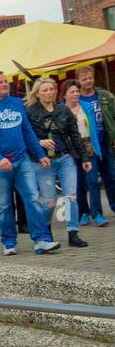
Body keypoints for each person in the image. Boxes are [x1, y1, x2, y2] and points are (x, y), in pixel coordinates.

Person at [0, 71, 57, 256]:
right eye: (0, 82)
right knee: (4, 204)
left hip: (22, 160)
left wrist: (40, 154)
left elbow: (27, 131)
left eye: (5, 81)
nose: (5, 84)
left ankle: (41, 239)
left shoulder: (17, 103)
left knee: (33, 198)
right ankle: (9, 241)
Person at [26, 77, 90, 248]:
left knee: (70, 196)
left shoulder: (63, 110)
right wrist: (40, 142)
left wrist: (84, 157)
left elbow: (75, 135)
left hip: (65, 157)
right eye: (45, 90)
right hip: (43, 160)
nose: (49, 93)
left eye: (51, 89)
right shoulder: (30, 112)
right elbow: (27, 136)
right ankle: (45, 231)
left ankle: (73, 232)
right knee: (49, 200)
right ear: (37, 93)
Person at [64, 80, 108, 226]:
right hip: (71, 150)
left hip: (89, 147)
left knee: (93, 182)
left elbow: (94, 129)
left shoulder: (87, 107)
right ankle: (84, 212)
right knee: (78, 184)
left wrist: (98, 148)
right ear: (64, 95)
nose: (76, 94)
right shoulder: (61, 110)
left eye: (77, 91)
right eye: (72, 92)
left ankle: (98, 214)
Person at [75, 65, 115, 219]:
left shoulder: (105, 95)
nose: (88, 81)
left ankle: (113, 205)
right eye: (84, 79)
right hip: (88, 145)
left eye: (90, 78)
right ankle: (96, 213)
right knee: (92, 181)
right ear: (78, 81)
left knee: (111, 175)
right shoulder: (77, 99)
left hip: (106, 141)